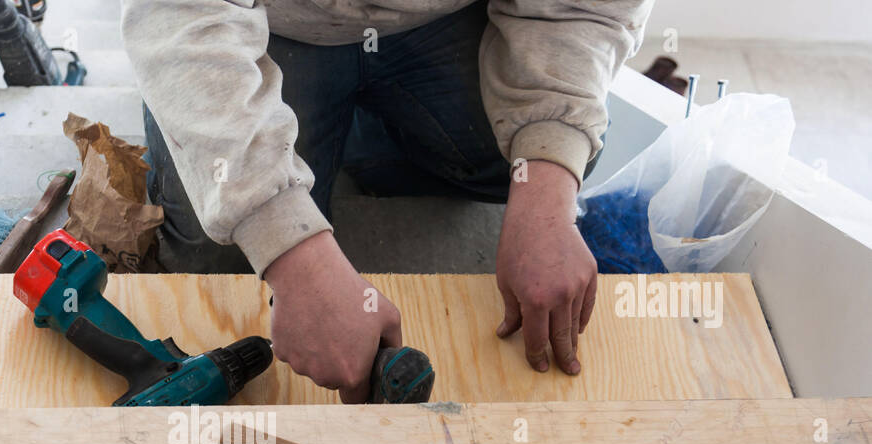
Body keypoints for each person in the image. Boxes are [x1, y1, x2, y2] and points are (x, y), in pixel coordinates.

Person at [122, 0, 653, 402]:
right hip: (263, 24)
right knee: (223, 266)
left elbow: (583, 7)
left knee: (524, 155)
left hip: (439, 18)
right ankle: (307, 131)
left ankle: (346, 131)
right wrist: (287, 248)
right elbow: (177, 11)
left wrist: (546, 196)